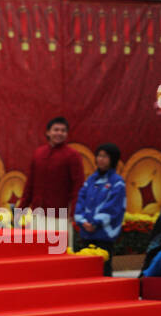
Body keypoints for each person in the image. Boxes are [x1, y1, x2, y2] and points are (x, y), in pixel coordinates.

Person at [17, 116, 83, 225]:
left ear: (67, 134)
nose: (59, 133)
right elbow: (30, 185)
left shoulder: (73, 156)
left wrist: (75, 212)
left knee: (59, 242)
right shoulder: (38, 154)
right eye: (56, 130)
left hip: (60, 216)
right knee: (36, 242)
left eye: (63, 131)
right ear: (48, 132)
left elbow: (78, 187)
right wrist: (21, 210)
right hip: (37, 213)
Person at [73, 142, 126, 275]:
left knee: (104, 268)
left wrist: (95, 223)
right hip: (87, 232)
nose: (100, 159)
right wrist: (82, 220)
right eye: (99, 155)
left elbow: (114, 208)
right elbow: (80, 201)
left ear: (113, 159)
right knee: (87, 269)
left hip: (104, 234)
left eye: (105, 156)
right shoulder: (90, 180)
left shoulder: (117, 182)